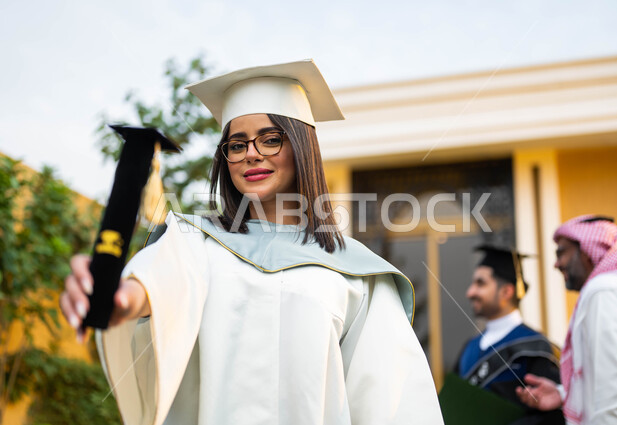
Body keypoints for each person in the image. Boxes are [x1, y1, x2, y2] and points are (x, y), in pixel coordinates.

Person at [59, 60, 444, 425]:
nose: (252, 154)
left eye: (271, 139)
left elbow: (395, 402)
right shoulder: (194, 242)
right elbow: (152, 286)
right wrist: (118, 296)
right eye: (237, 144)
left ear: (302, 147)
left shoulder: (356, 276)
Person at [516, 215, 617, 424]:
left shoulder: (605, 290)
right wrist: (563, 394)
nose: (556, 264)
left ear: (587, 249)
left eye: (561, 253)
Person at [456, 245, 565, 424]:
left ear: (506, 291)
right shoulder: (469, 347)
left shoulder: (536, 347)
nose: (470, 292)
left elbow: (552, 418)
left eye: (480, 283)